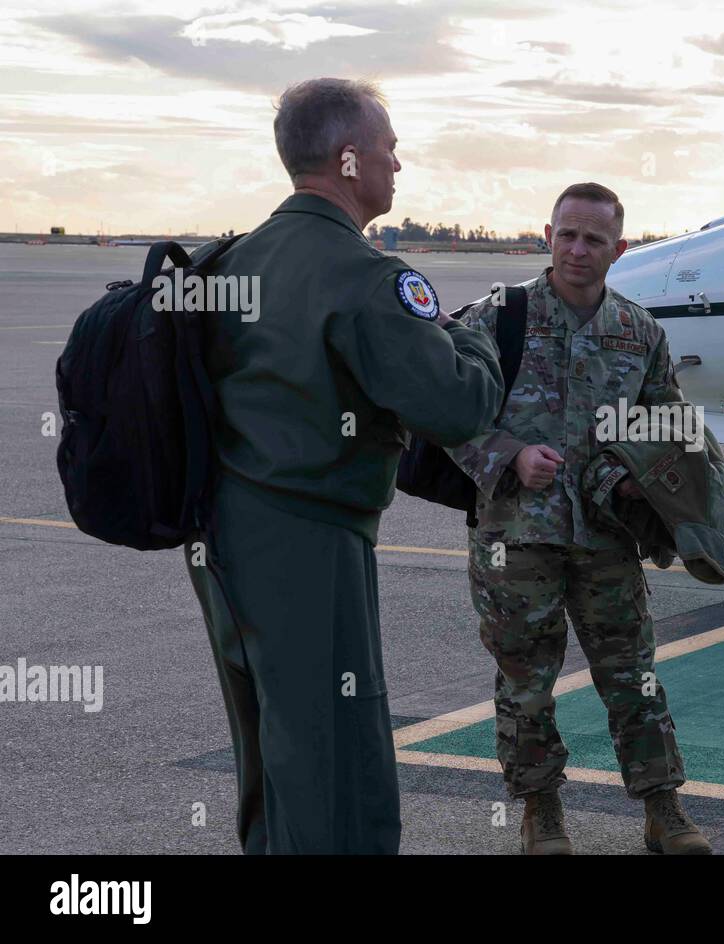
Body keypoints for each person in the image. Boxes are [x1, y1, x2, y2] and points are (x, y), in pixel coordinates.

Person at [184, 78, 504, 854]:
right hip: (309, 538)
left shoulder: (230, 259)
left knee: (272, 744)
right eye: (390, 151)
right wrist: (477, 335)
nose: (400, 166)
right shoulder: (359, 274)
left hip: (224, 533)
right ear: (350, 159)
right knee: (332, 751)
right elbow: (459, 406)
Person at [448, 182, 711, 855]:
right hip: (516, 537)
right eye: (567, 234)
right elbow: (445, 413)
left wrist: (636, 479)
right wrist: (507, 454)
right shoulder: (495, 318)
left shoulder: (639, 333)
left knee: (633, 676)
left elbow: (667, 426)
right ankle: (542, 811)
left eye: (594, 239)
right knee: (526, 682)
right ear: (547, 235)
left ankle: (663, 809)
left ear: (618, 249)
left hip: (607, 538)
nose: (577, 249)